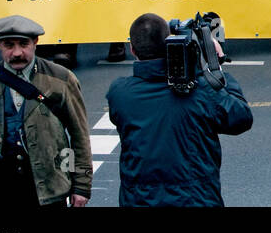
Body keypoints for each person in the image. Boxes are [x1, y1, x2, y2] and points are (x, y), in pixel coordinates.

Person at [0, 15, 93, 208]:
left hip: (48, 191)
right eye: (9, 45)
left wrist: (82, 186)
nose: (17, 52)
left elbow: (79, 135)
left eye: (23, 44)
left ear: (35, 42)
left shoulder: (62, 80)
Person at [106, 12, 253, 206]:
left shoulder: (119, 93)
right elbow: (240, 118)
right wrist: (215, 67)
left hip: (139, 200)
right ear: (169, 44)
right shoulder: (202, 91)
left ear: (132, 49)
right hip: (196, 200)